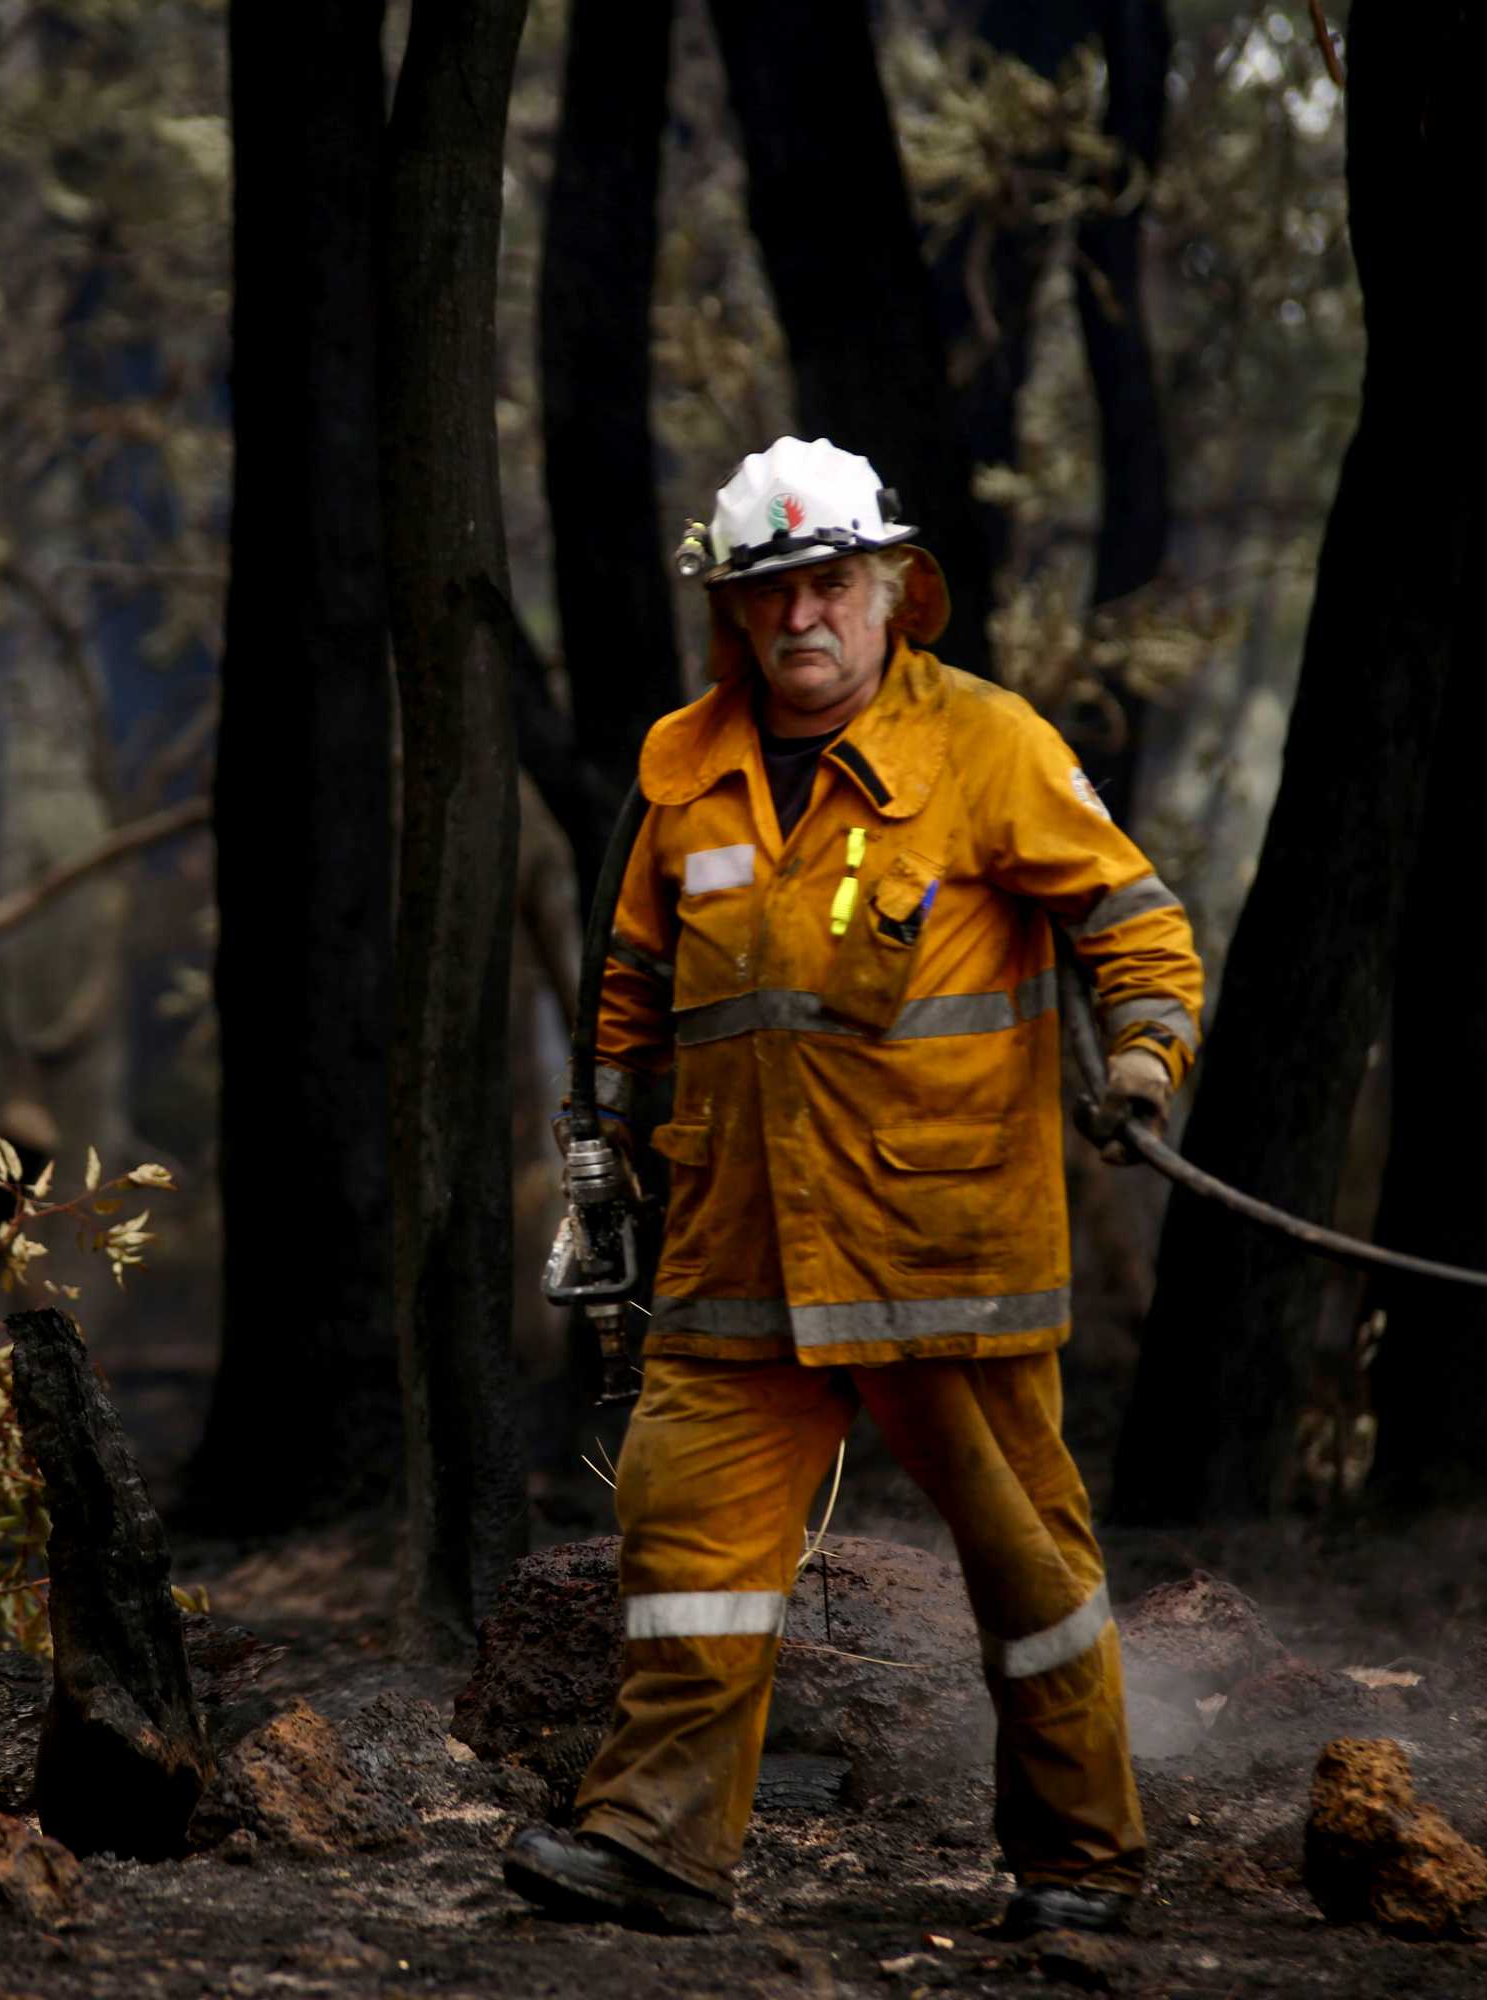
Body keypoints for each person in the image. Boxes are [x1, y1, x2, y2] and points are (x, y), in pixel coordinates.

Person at [503, 437, 1201, 1939]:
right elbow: (630, 988)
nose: (801, 618)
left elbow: (1138, 930)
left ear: (894, 592)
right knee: (686, 1545)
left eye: (830, 585)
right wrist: (600, 1158)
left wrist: (1143, 1062)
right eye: (771, 595)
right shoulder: (683, 771)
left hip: (941, 1249)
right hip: (734, 1242)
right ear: (732, 616)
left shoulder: (991, 746)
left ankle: (1080, 1860)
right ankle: (655, 1843)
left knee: (1031, 1574)